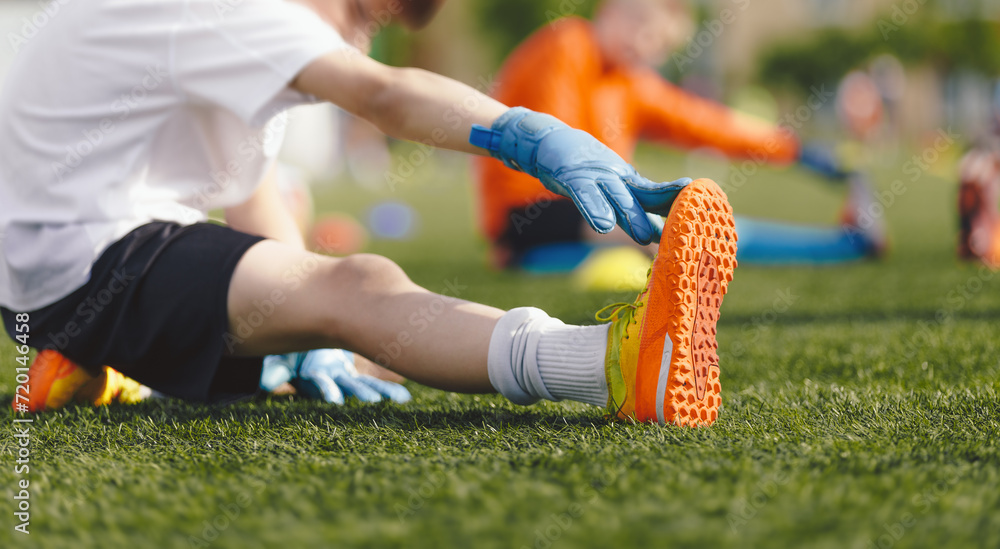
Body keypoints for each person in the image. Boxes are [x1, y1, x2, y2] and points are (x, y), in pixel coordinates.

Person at [2, 0, 736, 426]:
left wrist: (307, 332)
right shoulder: (242, 9)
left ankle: (95, 363)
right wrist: (525, 134)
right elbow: (382, 95)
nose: (355, 40)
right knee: (361, 287)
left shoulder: (240, 36)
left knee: (338, 317)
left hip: (60, 256)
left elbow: (252, 196)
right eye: (360, 13)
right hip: (71, 254)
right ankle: (610, 364)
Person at [475, 0, 884, 272]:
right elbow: (554, 151)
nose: (649, 48)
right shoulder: (569, 43)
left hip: (579, 212)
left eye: (661, 44)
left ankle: (844, 244)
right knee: (687, 227)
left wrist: (797, 151)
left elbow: (705, 123)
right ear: (612, 8)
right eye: (643, 27)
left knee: (693, 223)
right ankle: (844, 246)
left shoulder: (627, 79)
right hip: (530, 211)